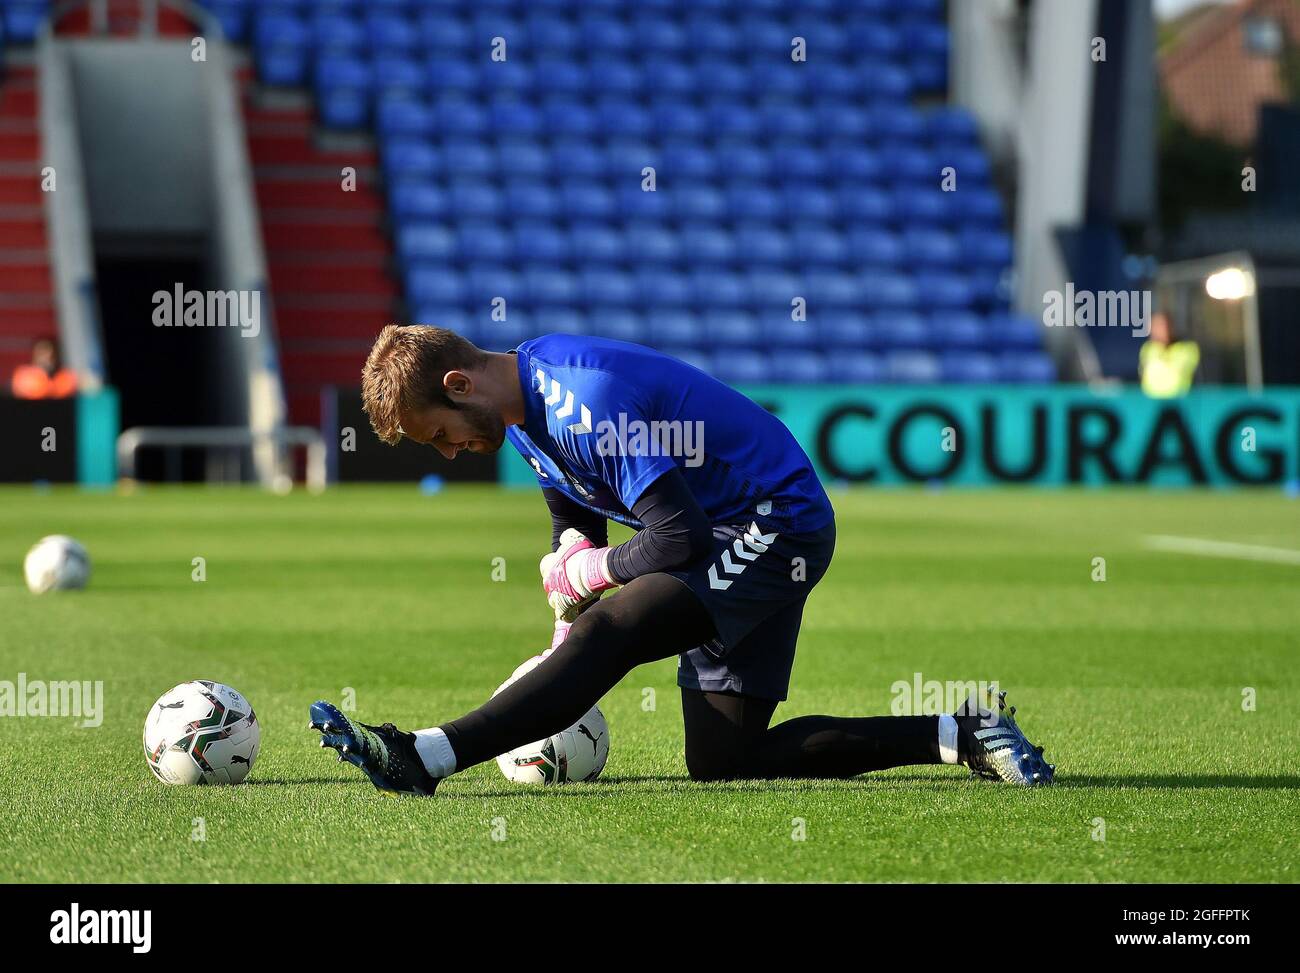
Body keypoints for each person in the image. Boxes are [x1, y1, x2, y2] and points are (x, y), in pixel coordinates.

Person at [309, 326, 1054, 794]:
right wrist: (571, 553)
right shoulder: (520, 409)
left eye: (440, 433)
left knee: (614, 631)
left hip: (773, 522)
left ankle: (427, 756)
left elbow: (677, 539)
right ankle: (962, 733)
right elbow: (574, 507)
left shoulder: (581, 397)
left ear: (459, 384)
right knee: (725, 758)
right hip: (730, 528)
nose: (448, 451)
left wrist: (590, 582)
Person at [1140, 312, 1200, 398]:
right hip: (1152, 404)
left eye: (1162, 325)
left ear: (1171, 327)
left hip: (1179, 403)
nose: (1158, 330)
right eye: (1154, 326)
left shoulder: (1187, 348)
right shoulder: (1147, 349)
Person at [11, 338, 77, 400]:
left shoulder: (66, 376)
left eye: (51, 354)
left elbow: (65, 392)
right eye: (42, 353)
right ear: (34, 354)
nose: (47, 358)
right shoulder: (23, 375)